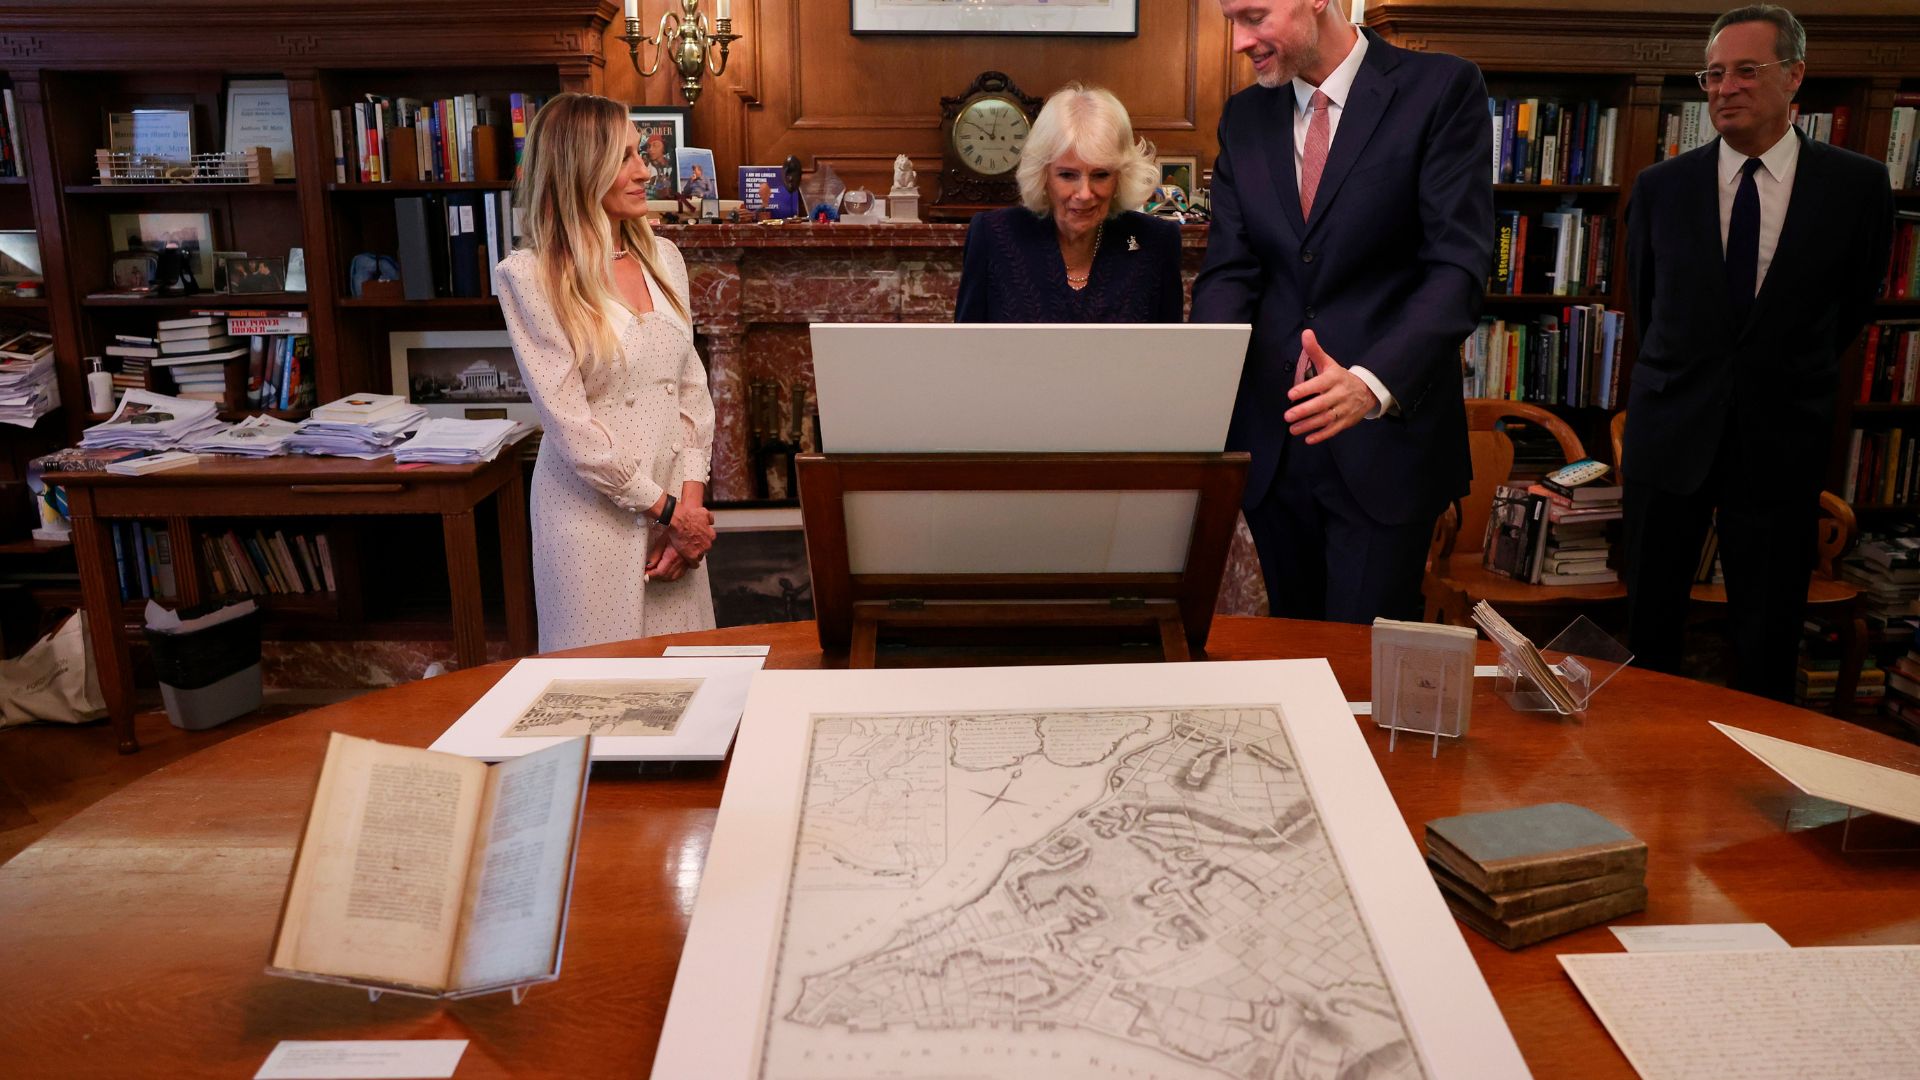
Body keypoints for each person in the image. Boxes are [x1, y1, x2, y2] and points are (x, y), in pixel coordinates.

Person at [1191, 0, 1494, 622]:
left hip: (1385, 441)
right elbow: (1230, 272)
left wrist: (1371, 383)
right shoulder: (1244, 117)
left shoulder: (1440, 89)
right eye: (1232, 22)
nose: (1239, 43)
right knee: (1294, 662)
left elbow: (1456, 269)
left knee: (1361, 680)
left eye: (1253, 17)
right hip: (1274, 449)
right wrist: (1202, 392)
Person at [1622, 5, 1892, 701]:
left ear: (1795, 75)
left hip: (1780, 435)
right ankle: (1637, 775)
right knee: (1649, 628)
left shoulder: (1856, 188)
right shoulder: (1662, 188)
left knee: (1767, 636)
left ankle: (1753, 781)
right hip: (1671, 430)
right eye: (1713, 74)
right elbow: (1648, 308)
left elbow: (1852, 307)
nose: (1724, 88)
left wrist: (1774, 371)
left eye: (1747, 70)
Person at [496, 92, 719, 652]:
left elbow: (691, 391)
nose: (645, 170)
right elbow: (571, 427)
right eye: (625, 157)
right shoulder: (530, 278)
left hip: (675, 517)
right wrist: (665, 510)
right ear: (579, 168)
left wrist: (687, 511)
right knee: (596, 692)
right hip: (589, 521)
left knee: (689, 685)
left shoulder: (665, 258)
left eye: (640, 153)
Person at [953, 84, 1183, 323]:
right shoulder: (993, 236)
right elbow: (965, 349)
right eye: (1067, 175)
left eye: (1101, 174)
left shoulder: (1155, 241)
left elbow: (1172, 352)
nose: (1084, 194)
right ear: (1043, 175)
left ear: (1121, 176)